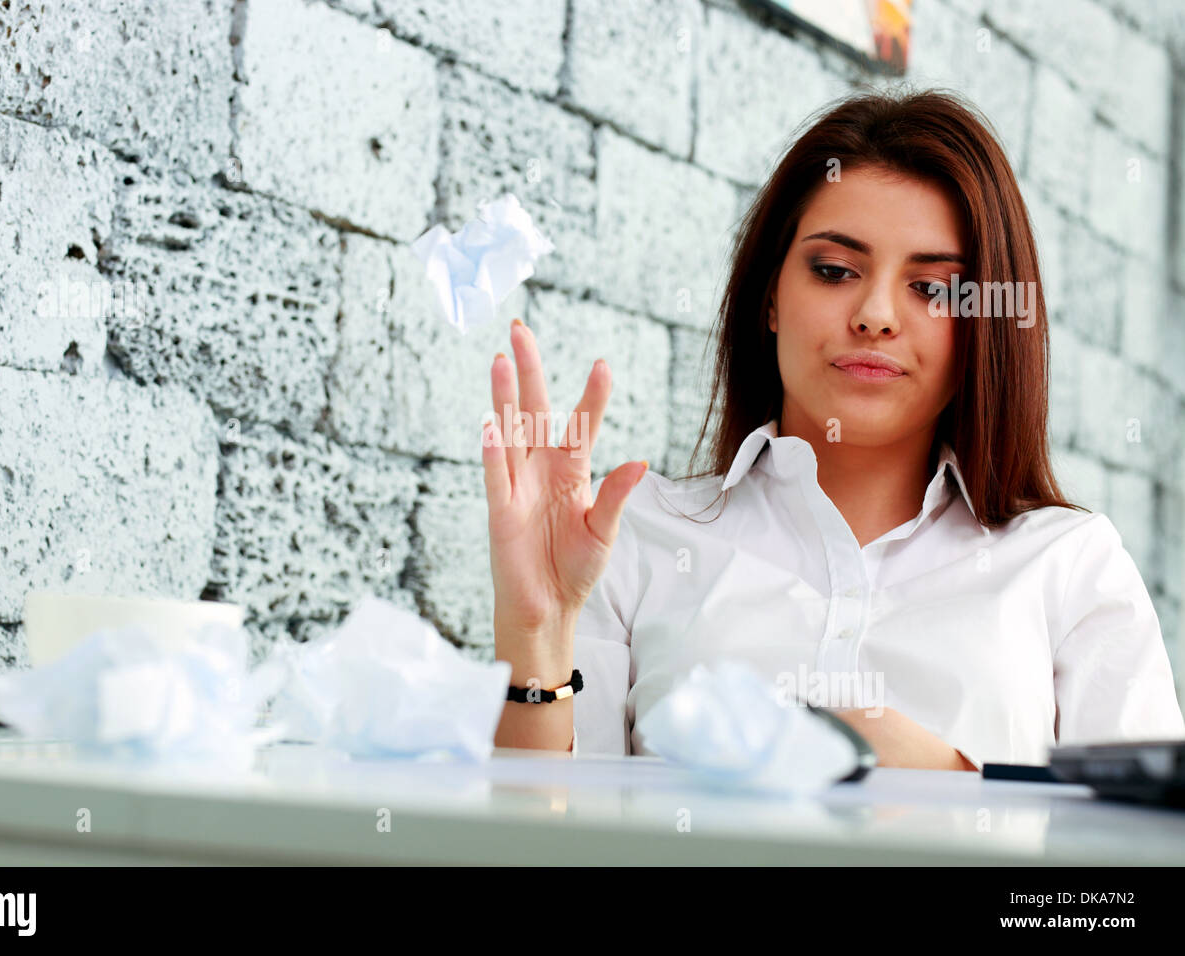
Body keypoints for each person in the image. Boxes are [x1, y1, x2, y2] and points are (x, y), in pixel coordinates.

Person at [482, 87, 1185, 770]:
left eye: (932, 288)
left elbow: (1135, 862)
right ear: (770, 300)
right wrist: (536, 629)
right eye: (835, 270)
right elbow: (548, 836)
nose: (876, 314)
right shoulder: (637, 536)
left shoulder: (1069, 566)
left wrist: (952, 786)